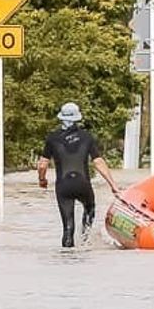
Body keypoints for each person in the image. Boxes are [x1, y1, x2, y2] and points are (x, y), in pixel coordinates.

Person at [38, 102, 120, 249]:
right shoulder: (87, 137)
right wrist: (113, 185)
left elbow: (43, 164)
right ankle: (85, 240)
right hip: (83, 184)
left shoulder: (52, 138)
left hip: (63, 187)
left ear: (61, 118)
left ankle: (67, 262)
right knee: (90, 208)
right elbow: (99, 162)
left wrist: (42, 180)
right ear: (78, 118)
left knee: (68, 228)